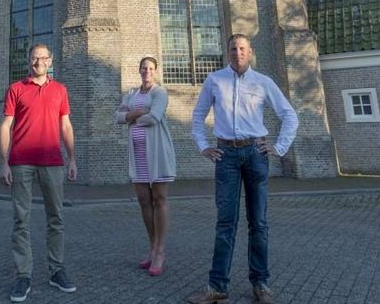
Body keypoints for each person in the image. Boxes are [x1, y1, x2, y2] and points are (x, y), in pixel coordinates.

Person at [186, 34, 299, 304]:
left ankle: (260, 284)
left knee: (258, 222)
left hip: (255, 154)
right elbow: (198, 116)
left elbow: (289, 115)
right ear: (227, 52)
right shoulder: (214, 80)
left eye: (242, 48)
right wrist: (203, 146)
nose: (237, 53)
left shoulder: (263, 82)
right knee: (225, 222)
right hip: (225, 155)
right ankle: (217, 287)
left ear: (250, 51)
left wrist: (279, 147)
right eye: (233, 49)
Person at [0, 43, 78, 303]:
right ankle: (23, 275)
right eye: (35, 58)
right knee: (21, 220)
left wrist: (72, 158)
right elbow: (6, 125)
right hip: (21, 161)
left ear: (50, 60)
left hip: (52, 161)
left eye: (43, 58)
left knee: (56, 217)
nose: (39, 62)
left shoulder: (60, 90)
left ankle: (56, 270)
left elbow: (66, 125)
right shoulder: (16, 88)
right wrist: (4, 161)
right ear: (29, 60)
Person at [115, 55, 176, 277]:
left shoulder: (159, 93)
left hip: (157, 152)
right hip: (138, 155)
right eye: (144, 68)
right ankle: (152, 246)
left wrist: (130, 117)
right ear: (139, 70)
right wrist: (136, 113)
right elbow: (117, 116)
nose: (147, 72)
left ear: (155, 71)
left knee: (159, 199)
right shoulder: (131, 93)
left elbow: (154, 117)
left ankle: (160, 251)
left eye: (150, 68)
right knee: (143, 200)